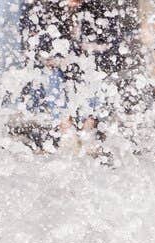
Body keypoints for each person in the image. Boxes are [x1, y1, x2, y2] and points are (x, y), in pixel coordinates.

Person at [19, 0, 131, 142]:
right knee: (51, 74)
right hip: (57, 72)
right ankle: (65, 127)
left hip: (88, 70)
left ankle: (89, 127)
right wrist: (61, 59)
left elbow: (113, 49)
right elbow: (36, 51)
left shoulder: (98, 11)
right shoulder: (44, 11)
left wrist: (88, 51)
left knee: (95, 72)